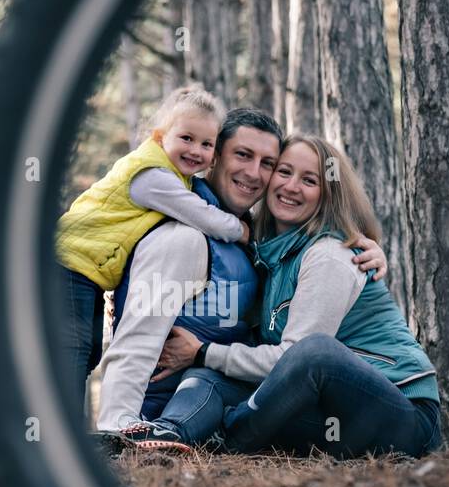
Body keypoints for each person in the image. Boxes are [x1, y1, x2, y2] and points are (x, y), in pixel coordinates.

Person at [140, 133, 442, 459]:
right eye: (284, 172)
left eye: (309, 180)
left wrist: (202, 351)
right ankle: (165, 435)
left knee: (315, 351)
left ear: (328, 196)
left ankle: (228, 438)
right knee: (209, 377)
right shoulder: (270, 251)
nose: (291, 186)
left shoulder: (329, 255)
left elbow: (296, 357)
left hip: (402, 414)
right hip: (333, 417)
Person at [95, 110, 390, 435]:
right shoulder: (184, 236)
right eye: (243, 155)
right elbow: (136, 338)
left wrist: (360, 246)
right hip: (158, 421)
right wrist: (118, 426)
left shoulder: (250, 239)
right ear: (214, 157)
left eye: (267, 164)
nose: (253, 173)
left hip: (214, 413)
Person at [55, 86, 247, 407]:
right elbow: (202, 216)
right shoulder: (152, 175)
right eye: (186, 138)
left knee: (87, 353)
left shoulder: (173, 174)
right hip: (69, 263)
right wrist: (240, 229)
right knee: (74, 349)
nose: (195, 150)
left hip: (85, 270)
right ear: (160, 136)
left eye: (206, 144)